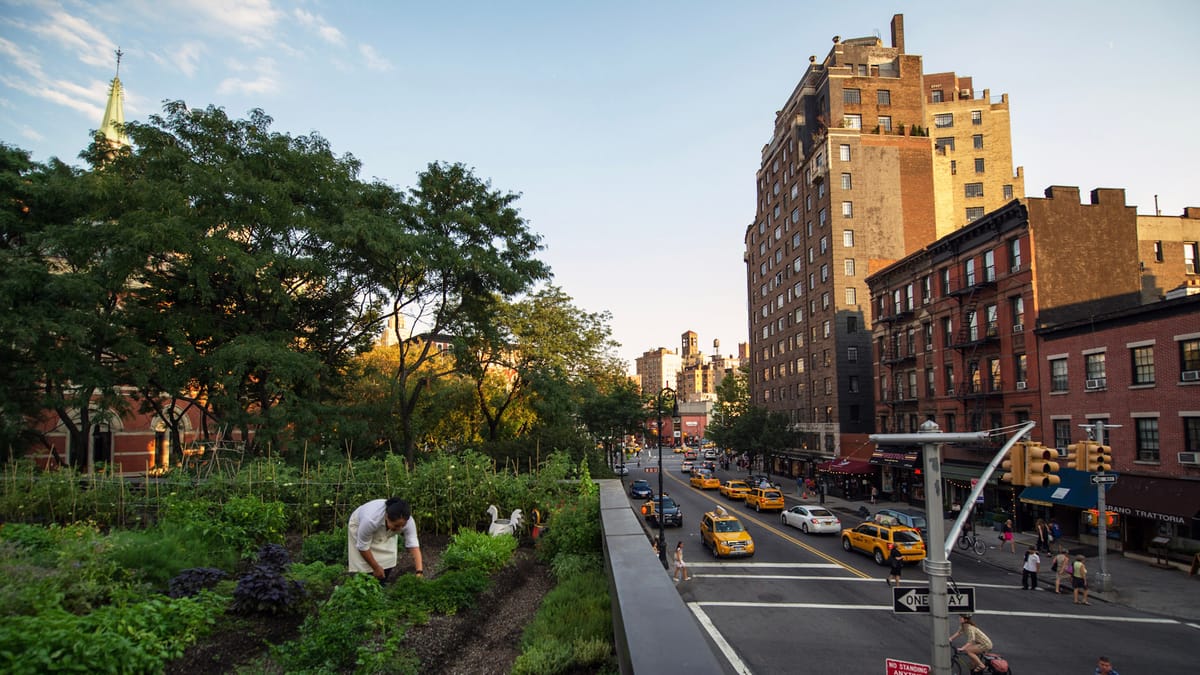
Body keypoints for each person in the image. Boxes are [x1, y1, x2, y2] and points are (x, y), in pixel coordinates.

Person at [347, 497, 423, 582]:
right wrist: (376, 568)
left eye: (403, 525)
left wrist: (419, 572)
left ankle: (381, 582)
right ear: (387, 517)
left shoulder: (407, 520)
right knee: (364, 567)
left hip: (382, 526)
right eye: (396, 526)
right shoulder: (370, 520)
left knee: (387, 557)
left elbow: (414, 545)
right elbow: (362, 547)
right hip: (360, 525)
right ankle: (364, 583)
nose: (400, 529)